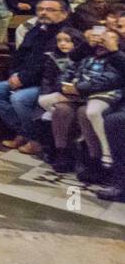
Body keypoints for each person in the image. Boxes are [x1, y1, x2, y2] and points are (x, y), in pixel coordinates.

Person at [0, 0, 70, 152]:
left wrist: (22, 79)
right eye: (40, 9)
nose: (43, 13)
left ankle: (35, 140)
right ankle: (24, 133)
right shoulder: (36, 30)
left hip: (48, 83)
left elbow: (48, 64)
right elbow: (19, 55)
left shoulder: (65, 34)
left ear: (64, 14)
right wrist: (13, 74)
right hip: (24, 77)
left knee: (19, 98)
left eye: (50, 10)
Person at [50, 26, 124, 184]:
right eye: (100, 39)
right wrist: (63, 85)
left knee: (85, 113)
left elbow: (112, 79)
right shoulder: (88, 54)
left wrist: (79, 88)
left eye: (106, 39)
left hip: (102, 96)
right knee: (61, 109)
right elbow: (71, 65)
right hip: (80, 94)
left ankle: (95, 159)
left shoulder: (116, 57)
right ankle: (63, 152)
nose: (101, 42)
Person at [37, 26, 91, 169]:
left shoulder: (86, 58)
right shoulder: (53, 57)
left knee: (80, 112)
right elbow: (49, 80)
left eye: (67, 40)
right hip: (65, 94)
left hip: (87, 95)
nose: (62, 44)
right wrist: (59, 89)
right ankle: (61, 152)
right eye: (59, 40)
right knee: (58, 110)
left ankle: (89, 156)